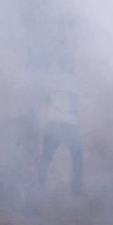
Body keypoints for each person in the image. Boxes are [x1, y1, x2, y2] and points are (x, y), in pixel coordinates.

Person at [36, 53, 83, 196]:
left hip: (53, 123)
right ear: (70, 66)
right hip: (68, 124)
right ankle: (76, 192)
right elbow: (75, 104)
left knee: (46, 157)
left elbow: (45, 98)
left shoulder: (52, 80)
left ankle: (39, 186)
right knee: (77, 156)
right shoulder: (74, 81)